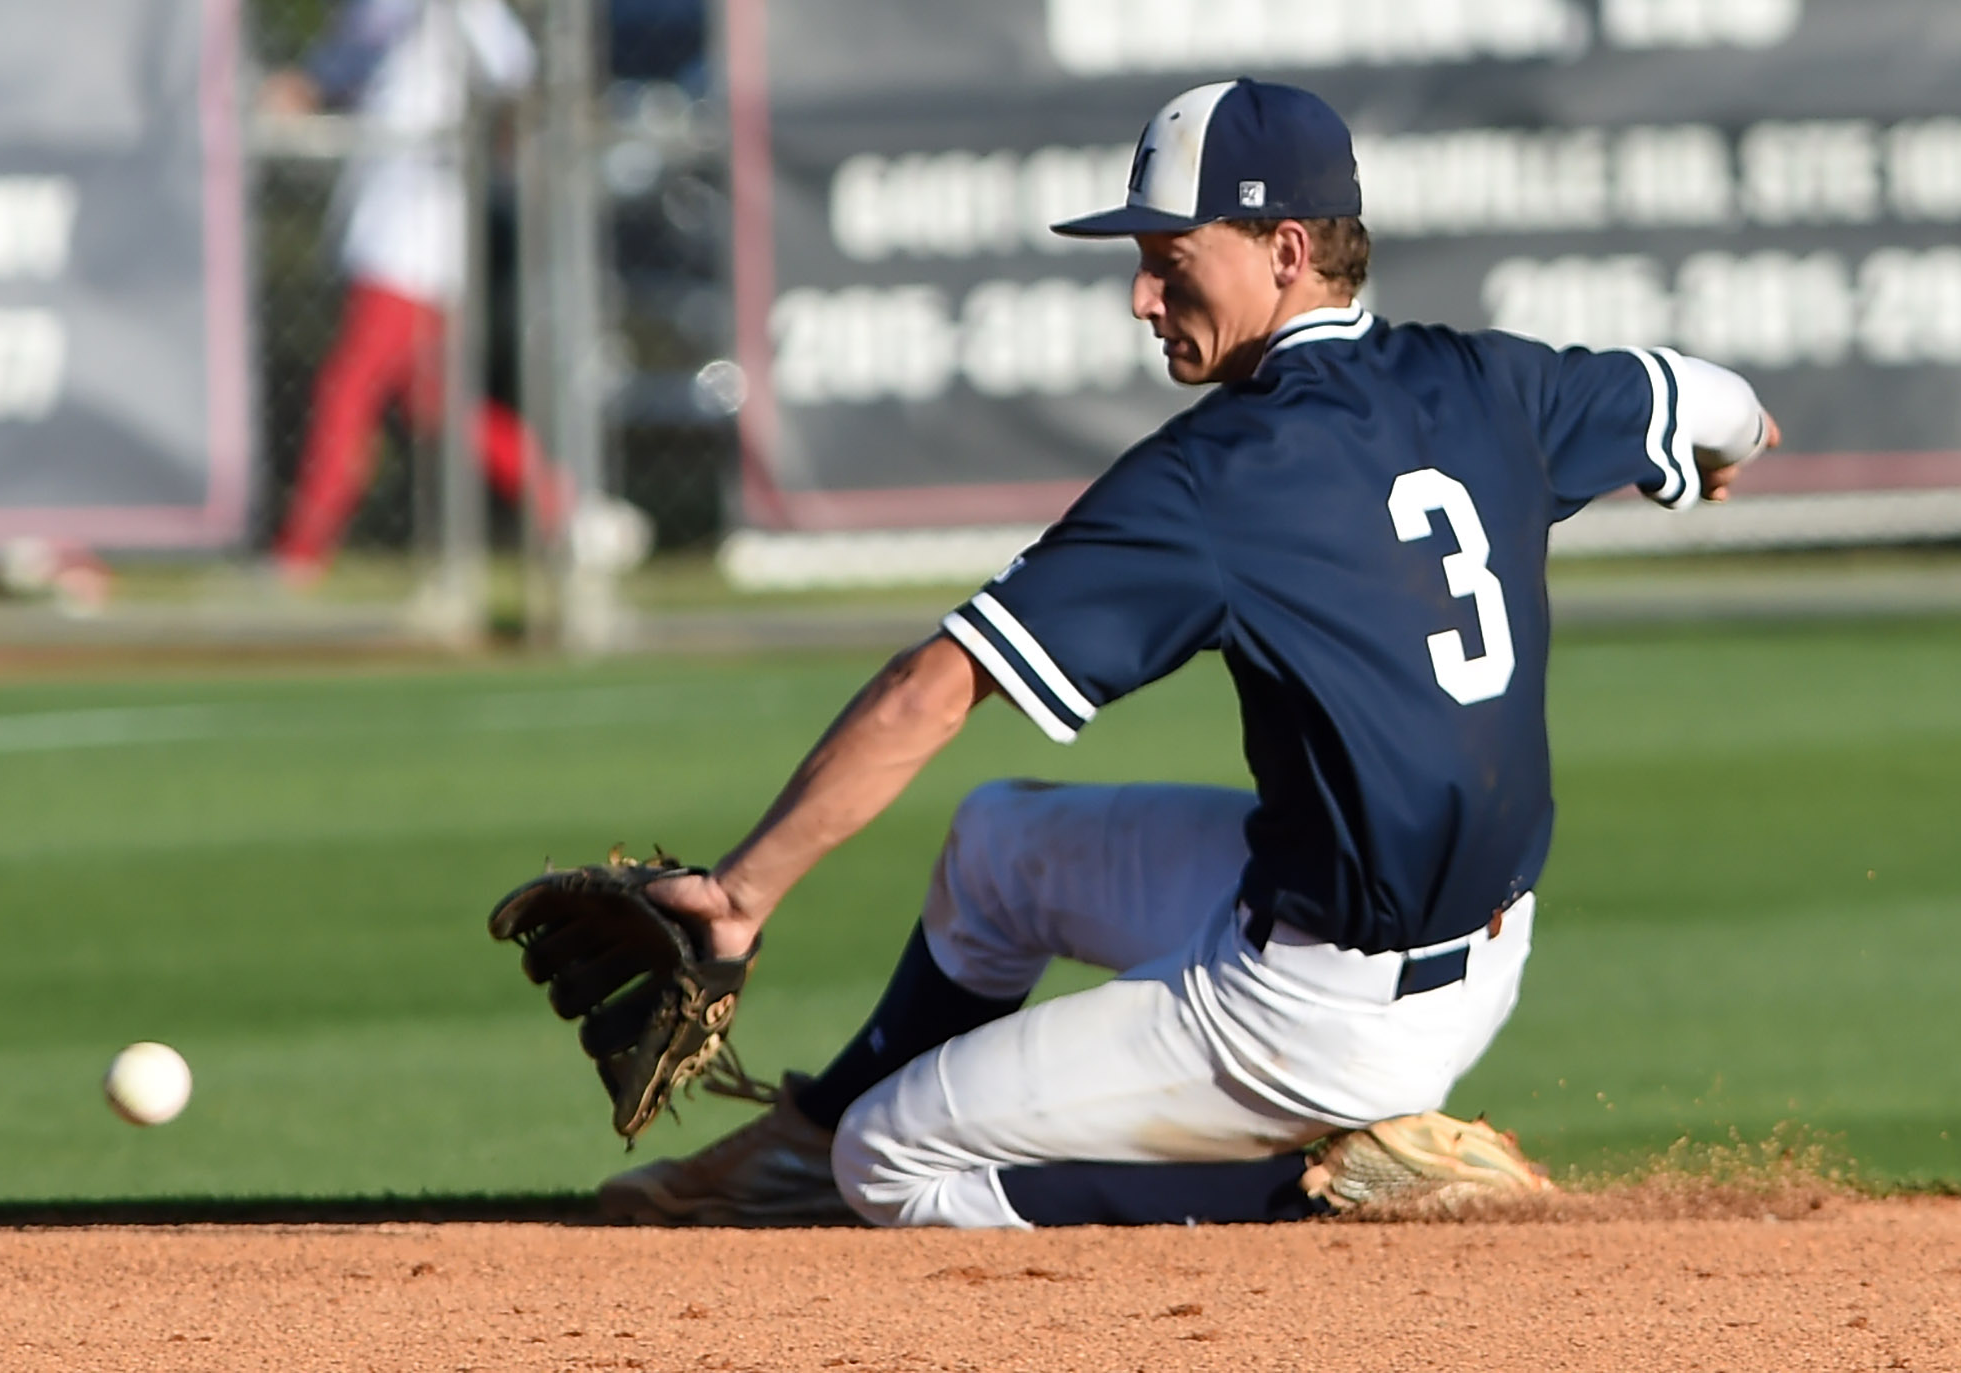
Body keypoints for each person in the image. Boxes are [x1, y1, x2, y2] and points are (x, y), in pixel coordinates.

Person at [599, 78, 1780, 1228]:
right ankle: (813, 1123)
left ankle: (1324, 1181)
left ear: (1284, 250)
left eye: (1171, 259)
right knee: (997, 847)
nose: (1140, 295)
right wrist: (1720, 453)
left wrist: (743, 891)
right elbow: (1713, 398)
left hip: (1312, 1009)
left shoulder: (1216, 475)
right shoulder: (1494, 381)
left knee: (892, 1163)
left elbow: (930, 689)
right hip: (1464, 938)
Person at [264, 0, 571, 584]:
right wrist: (300, 88)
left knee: (348, 390)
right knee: (432, 399)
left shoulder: (466, 13)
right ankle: (564, 506)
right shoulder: (386, 14)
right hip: (385, 225)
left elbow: (516, 81)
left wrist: (492, 140)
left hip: (415, 237)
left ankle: (301, 550)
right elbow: (339, 68)